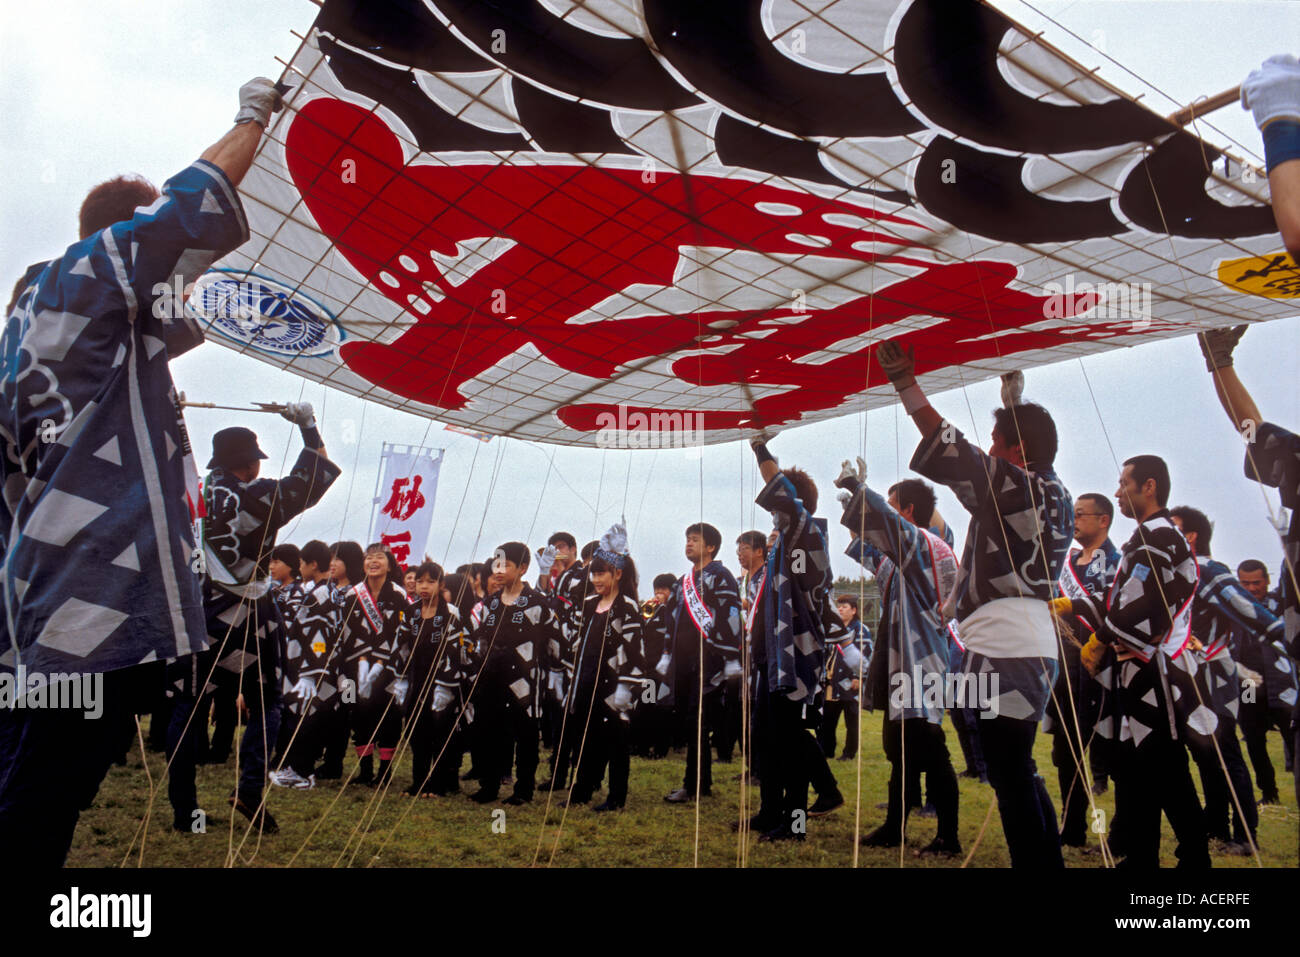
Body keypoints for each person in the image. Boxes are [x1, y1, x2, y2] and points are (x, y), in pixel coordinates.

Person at [0, 77, 284, 864]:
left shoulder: (25, 328)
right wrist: (252, 117)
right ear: (120, 242)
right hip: (92, 601)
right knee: (43, 794)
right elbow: (190, 208)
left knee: (31, 776)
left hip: (30, 605)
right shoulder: (94, 271)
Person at [876, 346, 1072, 868]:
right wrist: (1014, 401)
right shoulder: (1054, 492)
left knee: (1009, 775)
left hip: (1007, 645)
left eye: (997, 443)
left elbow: (955, 452)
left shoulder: (1026, 489)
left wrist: (906, 385)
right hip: (1020, 641)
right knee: (1018, 769)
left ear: (1018, 450)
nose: (989, 450)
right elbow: (989, 461)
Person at [165, 406, 341, 832]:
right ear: (249, 463)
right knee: (268, 703)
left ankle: (185, 810)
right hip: (252, 613)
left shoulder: (192, 491)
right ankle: (248, 789)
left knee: (188, 706)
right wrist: (307, 425)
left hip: (198, 608)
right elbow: (314, 477)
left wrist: (169, 415)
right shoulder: (262, 496)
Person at [1063, 456, 1208, 869]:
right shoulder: (1149, 536)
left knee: (1166, 769)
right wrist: (1076, 606)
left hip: (1153, 671)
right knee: (1141, 770)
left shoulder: (1159, 537)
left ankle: (1194, 856)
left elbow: (1139, 609)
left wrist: (1101, 639)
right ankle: (1143, 854)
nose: (1117, 492)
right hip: (1137, 670)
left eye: (1123, 483)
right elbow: (1118, 600)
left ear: (1148, 486)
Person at [839, 466, 962, 855]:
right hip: (900, 662)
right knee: (898, 749)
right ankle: (895, 825)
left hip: (922, 662)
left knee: (930, 747)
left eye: (892, 508)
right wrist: (853, 512)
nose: (886, 516)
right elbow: (870, 551)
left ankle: (949, 835)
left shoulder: (927, 545)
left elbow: (885, 526)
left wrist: (859, 488)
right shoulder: (900, 554)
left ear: (907, 511)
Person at [743, 436, 848, 841]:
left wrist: (760, 452)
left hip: (797, 659)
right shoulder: (781, 545)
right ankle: (770, 812)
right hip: (772, 657)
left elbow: (787, 500)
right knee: (769, 740)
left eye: (776, 506)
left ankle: (795, 823)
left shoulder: (807, 535)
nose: (771, 513)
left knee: (791, 740)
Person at [1169, 506, 1278, 854]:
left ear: (1191, 536)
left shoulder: (1210, 571)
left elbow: (1251, 611)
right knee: (1204, 753)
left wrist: (1282, 633)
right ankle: (1215, 825)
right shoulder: (1180, 572)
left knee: (1225, 752)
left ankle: (1246, 835)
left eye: (1173, 530)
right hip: (1188, 675)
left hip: (1214, 675)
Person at [1045, 493, 1119, 850]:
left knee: (1112, 751)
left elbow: (1114, 610)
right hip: (1065, 664)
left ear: (1103, 520)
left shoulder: (1115, 561)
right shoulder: (1067, 562)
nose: (1074, 521)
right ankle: (1072, 826)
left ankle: (1120, 834)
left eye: (1081, 515)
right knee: (1065, 749)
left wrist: (1073, 605)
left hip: (1101, 664)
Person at [563, 523, 645, 811]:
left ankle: (616, 796)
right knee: (585, 737)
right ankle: (582, 788)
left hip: (613, 684)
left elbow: (635, 652)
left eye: (602, 573)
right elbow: (575, 641)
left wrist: (626, 686)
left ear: (618, 574)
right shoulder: (588, 604)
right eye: (594, 573)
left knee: (616, 741)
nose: (596, 579)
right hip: (586, 681)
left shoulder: (627, 607)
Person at [659, 523, 743, 803]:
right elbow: (671, 619)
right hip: (683, 661)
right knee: (690, 720)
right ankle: (701, 782)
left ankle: (693, 785)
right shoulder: (682, 581)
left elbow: (731, 616)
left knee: (700, 721)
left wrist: (730, 657)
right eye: (687, 539)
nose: (688, 544)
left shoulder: (721, 577)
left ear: (711, 547)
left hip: (709, 660)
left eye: (695, 540)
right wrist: (666, 653)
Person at [469, 542, 558, 804]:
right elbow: (478, 641)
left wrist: (553, 676)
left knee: (526, 734)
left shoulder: (538, 604)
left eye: (506, 564)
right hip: (491, 677)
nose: (499, 569)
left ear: (522, 568)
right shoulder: (490, 604)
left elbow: (554, 643)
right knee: (489, 731)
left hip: (525, 681)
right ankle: (489, 785)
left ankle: (524, 789)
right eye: (497, 563)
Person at [275, 541, 363, 786]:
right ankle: (318, 764)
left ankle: (325, 764)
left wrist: (311, 670)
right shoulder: (331, 590)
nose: (333, 564)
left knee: (339, 714)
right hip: (332, 667)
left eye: (339, 559)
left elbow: (317, 633)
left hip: (343, 668)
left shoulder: (339, 592)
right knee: (327, 714)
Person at [337, 543, 411, 787]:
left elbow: (400, 634)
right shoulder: (352, 594)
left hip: (387, 667)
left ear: (390, 564)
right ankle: (364, 770)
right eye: (369, 558)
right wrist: (357, 661)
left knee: (387, 714)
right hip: (352, 667)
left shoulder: (399, 595)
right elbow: (346, 632)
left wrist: (379, 662)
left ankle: (385, 771)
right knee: (354, 710)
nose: (373, 562)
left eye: (379, 557)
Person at [401, 561, 471, 797]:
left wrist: (446, 685)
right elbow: (400, 647)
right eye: (420, 581)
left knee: (441, 732)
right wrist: (399, 680)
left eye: (431, 581)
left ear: (441, 585)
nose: (424, 586)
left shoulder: (450, 613)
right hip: (417, 680)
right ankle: (418, 781)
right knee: (416, 731)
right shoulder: (411, 612)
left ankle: (441, 782)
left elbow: (458, 650)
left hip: (443, 682)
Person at [1235, 559, 1297, 804]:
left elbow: (1290, 582)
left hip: (1281, 685)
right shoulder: (1234, 608)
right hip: (1250, 684)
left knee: (1292, 736)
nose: (1251, 588)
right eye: (1245, 583)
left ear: (1267, 581)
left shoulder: (1278, 604)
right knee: (1253, 736)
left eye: (1256, 583)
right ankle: (1269, 793)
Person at [819, 596, 869, 762]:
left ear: (854, 610)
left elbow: (866, 654)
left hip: (850, 683)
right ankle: (827, 750)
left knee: (851, 721)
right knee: (828, 719)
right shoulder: (833, 629)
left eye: (845, 607)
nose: (840, 609)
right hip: (832, 682)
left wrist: (859, 676)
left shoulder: (861, 630)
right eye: (839, 607)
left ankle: (849, 753)